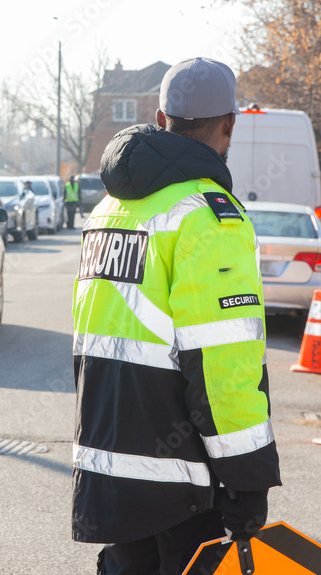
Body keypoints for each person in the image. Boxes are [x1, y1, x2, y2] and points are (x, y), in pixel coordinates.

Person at [71, 57, 281, 574]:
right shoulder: (208, 217)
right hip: (178, 485)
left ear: (161, 119)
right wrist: (247, 477)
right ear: (230, 123)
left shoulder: (110, 210)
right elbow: (221, 361)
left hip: (107, 468)